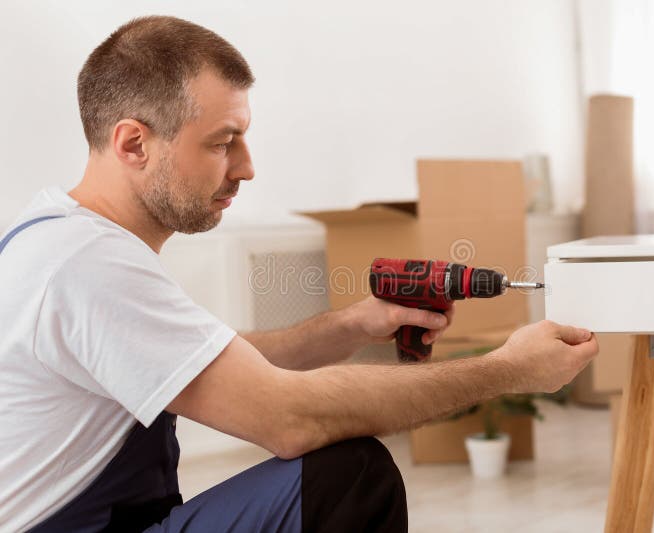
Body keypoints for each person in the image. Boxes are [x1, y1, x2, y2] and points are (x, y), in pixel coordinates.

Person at [0, 15, 599, 533]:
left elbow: (211, 362)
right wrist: (508, 369)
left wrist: (355, 325)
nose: (247, 166)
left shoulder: (56, 234)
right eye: (223, 142)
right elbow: (289, 419)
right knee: (347, 476)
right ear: (134, 143)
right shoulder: (89, 264)